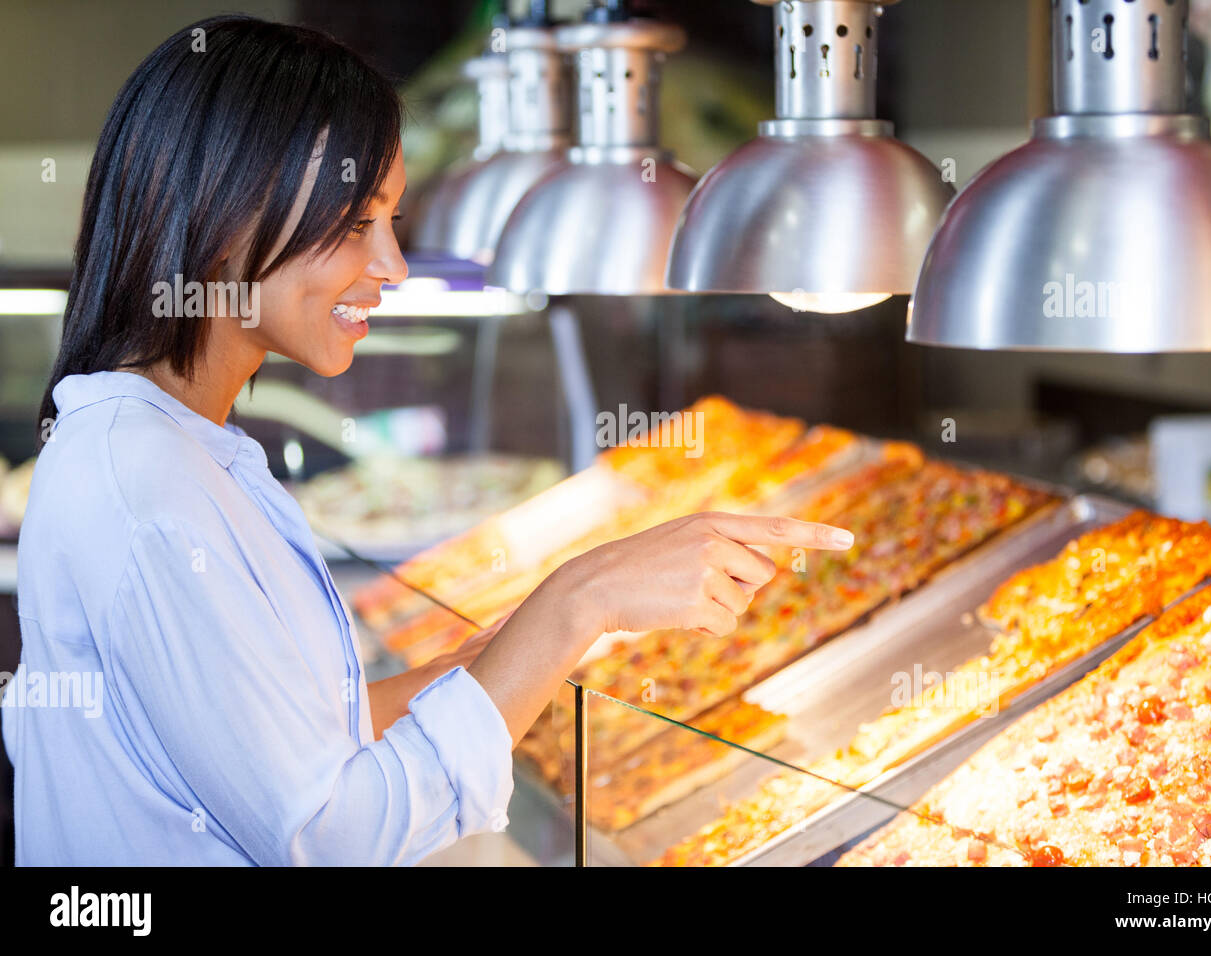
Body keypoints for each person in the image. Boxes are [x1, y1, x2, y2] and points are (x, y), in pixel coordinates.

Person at [2, 15, 854, 865]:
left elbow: (281, 744)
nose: (395, 267)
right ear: (223, 221)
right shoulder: (150, 488)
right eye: (354, 225)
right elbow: (328, 836)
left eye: (393, 220)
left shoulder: (167, 446)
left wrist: (514, 651)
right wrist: (577, 598)